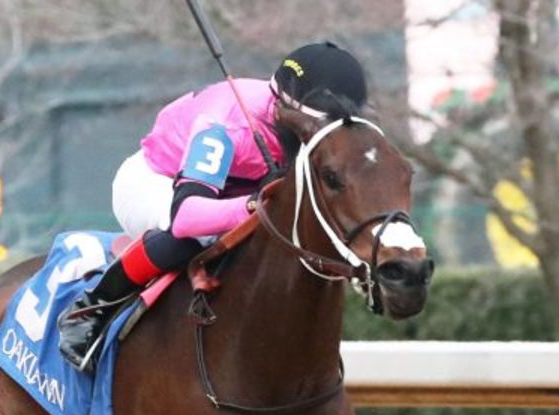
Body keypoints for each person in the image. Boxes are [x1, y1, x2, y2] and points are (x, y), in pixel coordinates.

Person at [57, 40, 369, 371]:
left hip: (228, 188)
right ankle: (90, 311)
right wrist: (255, 205)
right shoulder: (228, 125)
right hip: (157, 181)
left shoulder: (297, 125)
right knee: (195, 239)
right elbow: (187, 217)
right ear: (291, 111)